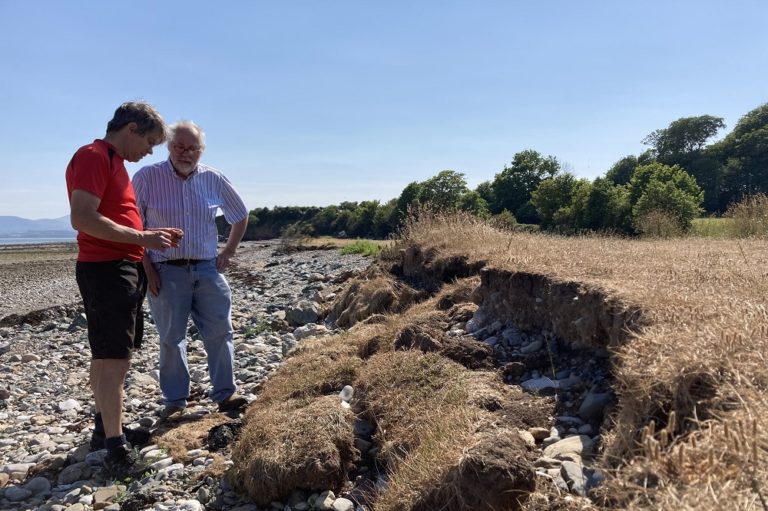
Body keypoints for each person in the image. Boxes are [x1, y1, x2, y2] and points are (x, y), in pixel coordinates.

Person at [66, 101, 183, 477]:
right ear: (131, 128)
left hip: (122, 266)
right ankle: (116, 450)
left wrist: (145, 243)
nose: (149, 151)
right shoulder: (93, 155)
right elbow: (82, 217)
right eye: (149, 142)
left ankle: (105, 429)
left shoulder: (113, 162)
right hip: (106, 269)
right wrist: (141, 237)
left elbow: (112, 215)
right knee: (114, 358)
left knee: (109, 354)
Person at [133, 120, 249, 419]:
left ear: (201, 150)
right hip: (164, 269)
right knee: (171, 338)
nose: (185, 153)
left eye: (192, 148)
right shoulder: (147, 176)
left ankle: (226, 393)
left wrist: (229, 251)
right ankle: (175, 402)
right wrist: (146, 268)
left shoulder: (214, 177)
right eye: (179, 146)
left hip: (207, 269)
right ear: (169, 147)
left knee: (221, 332)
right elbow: (133, 227)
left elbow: (240, 214)